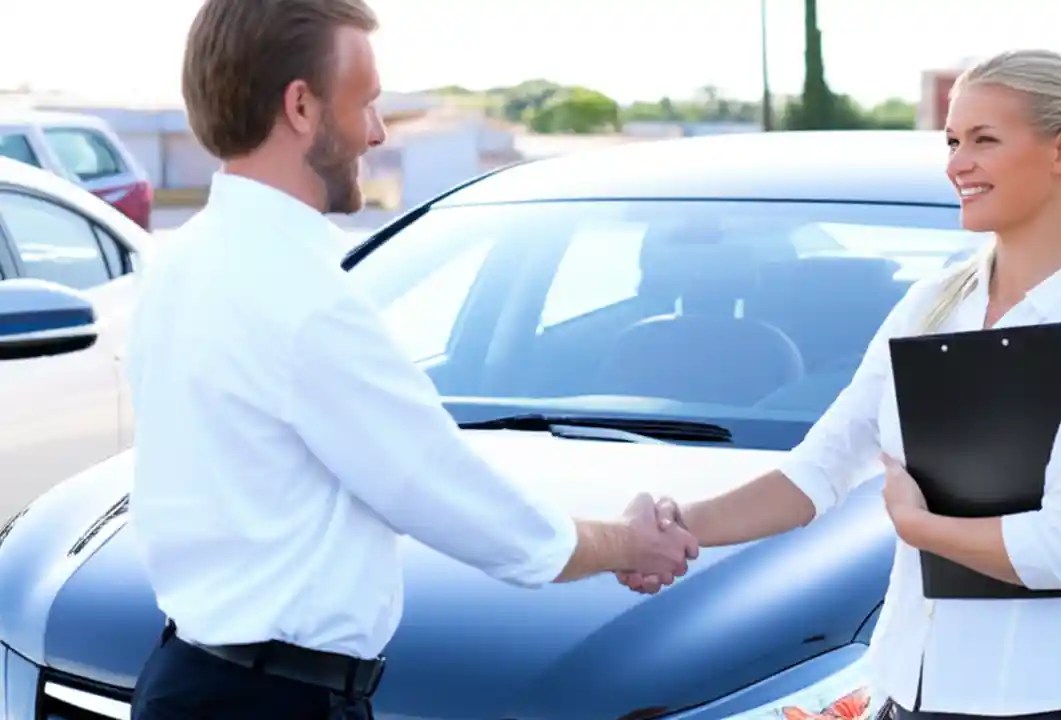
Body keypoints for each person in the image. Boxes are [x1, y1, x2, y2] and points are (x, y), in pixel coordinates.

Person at [124, 2, 697, 718]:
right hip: (272, 705)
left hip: (183, 680)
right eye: (364, 102)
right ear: (300, 106)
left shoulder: (180, 265)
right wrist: (628, 543)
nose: (377, 131)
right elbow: (461, 503)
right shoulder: (304, 299)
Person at [620, 49, 1061, 720]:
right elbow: (820, 469)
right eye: (953, 142)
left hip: (1041, 704)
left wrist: (918, 526)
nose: (958, 164)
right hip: (903, 693)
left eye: (984, 140)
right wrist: (675, 526)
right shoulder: (932, 304)